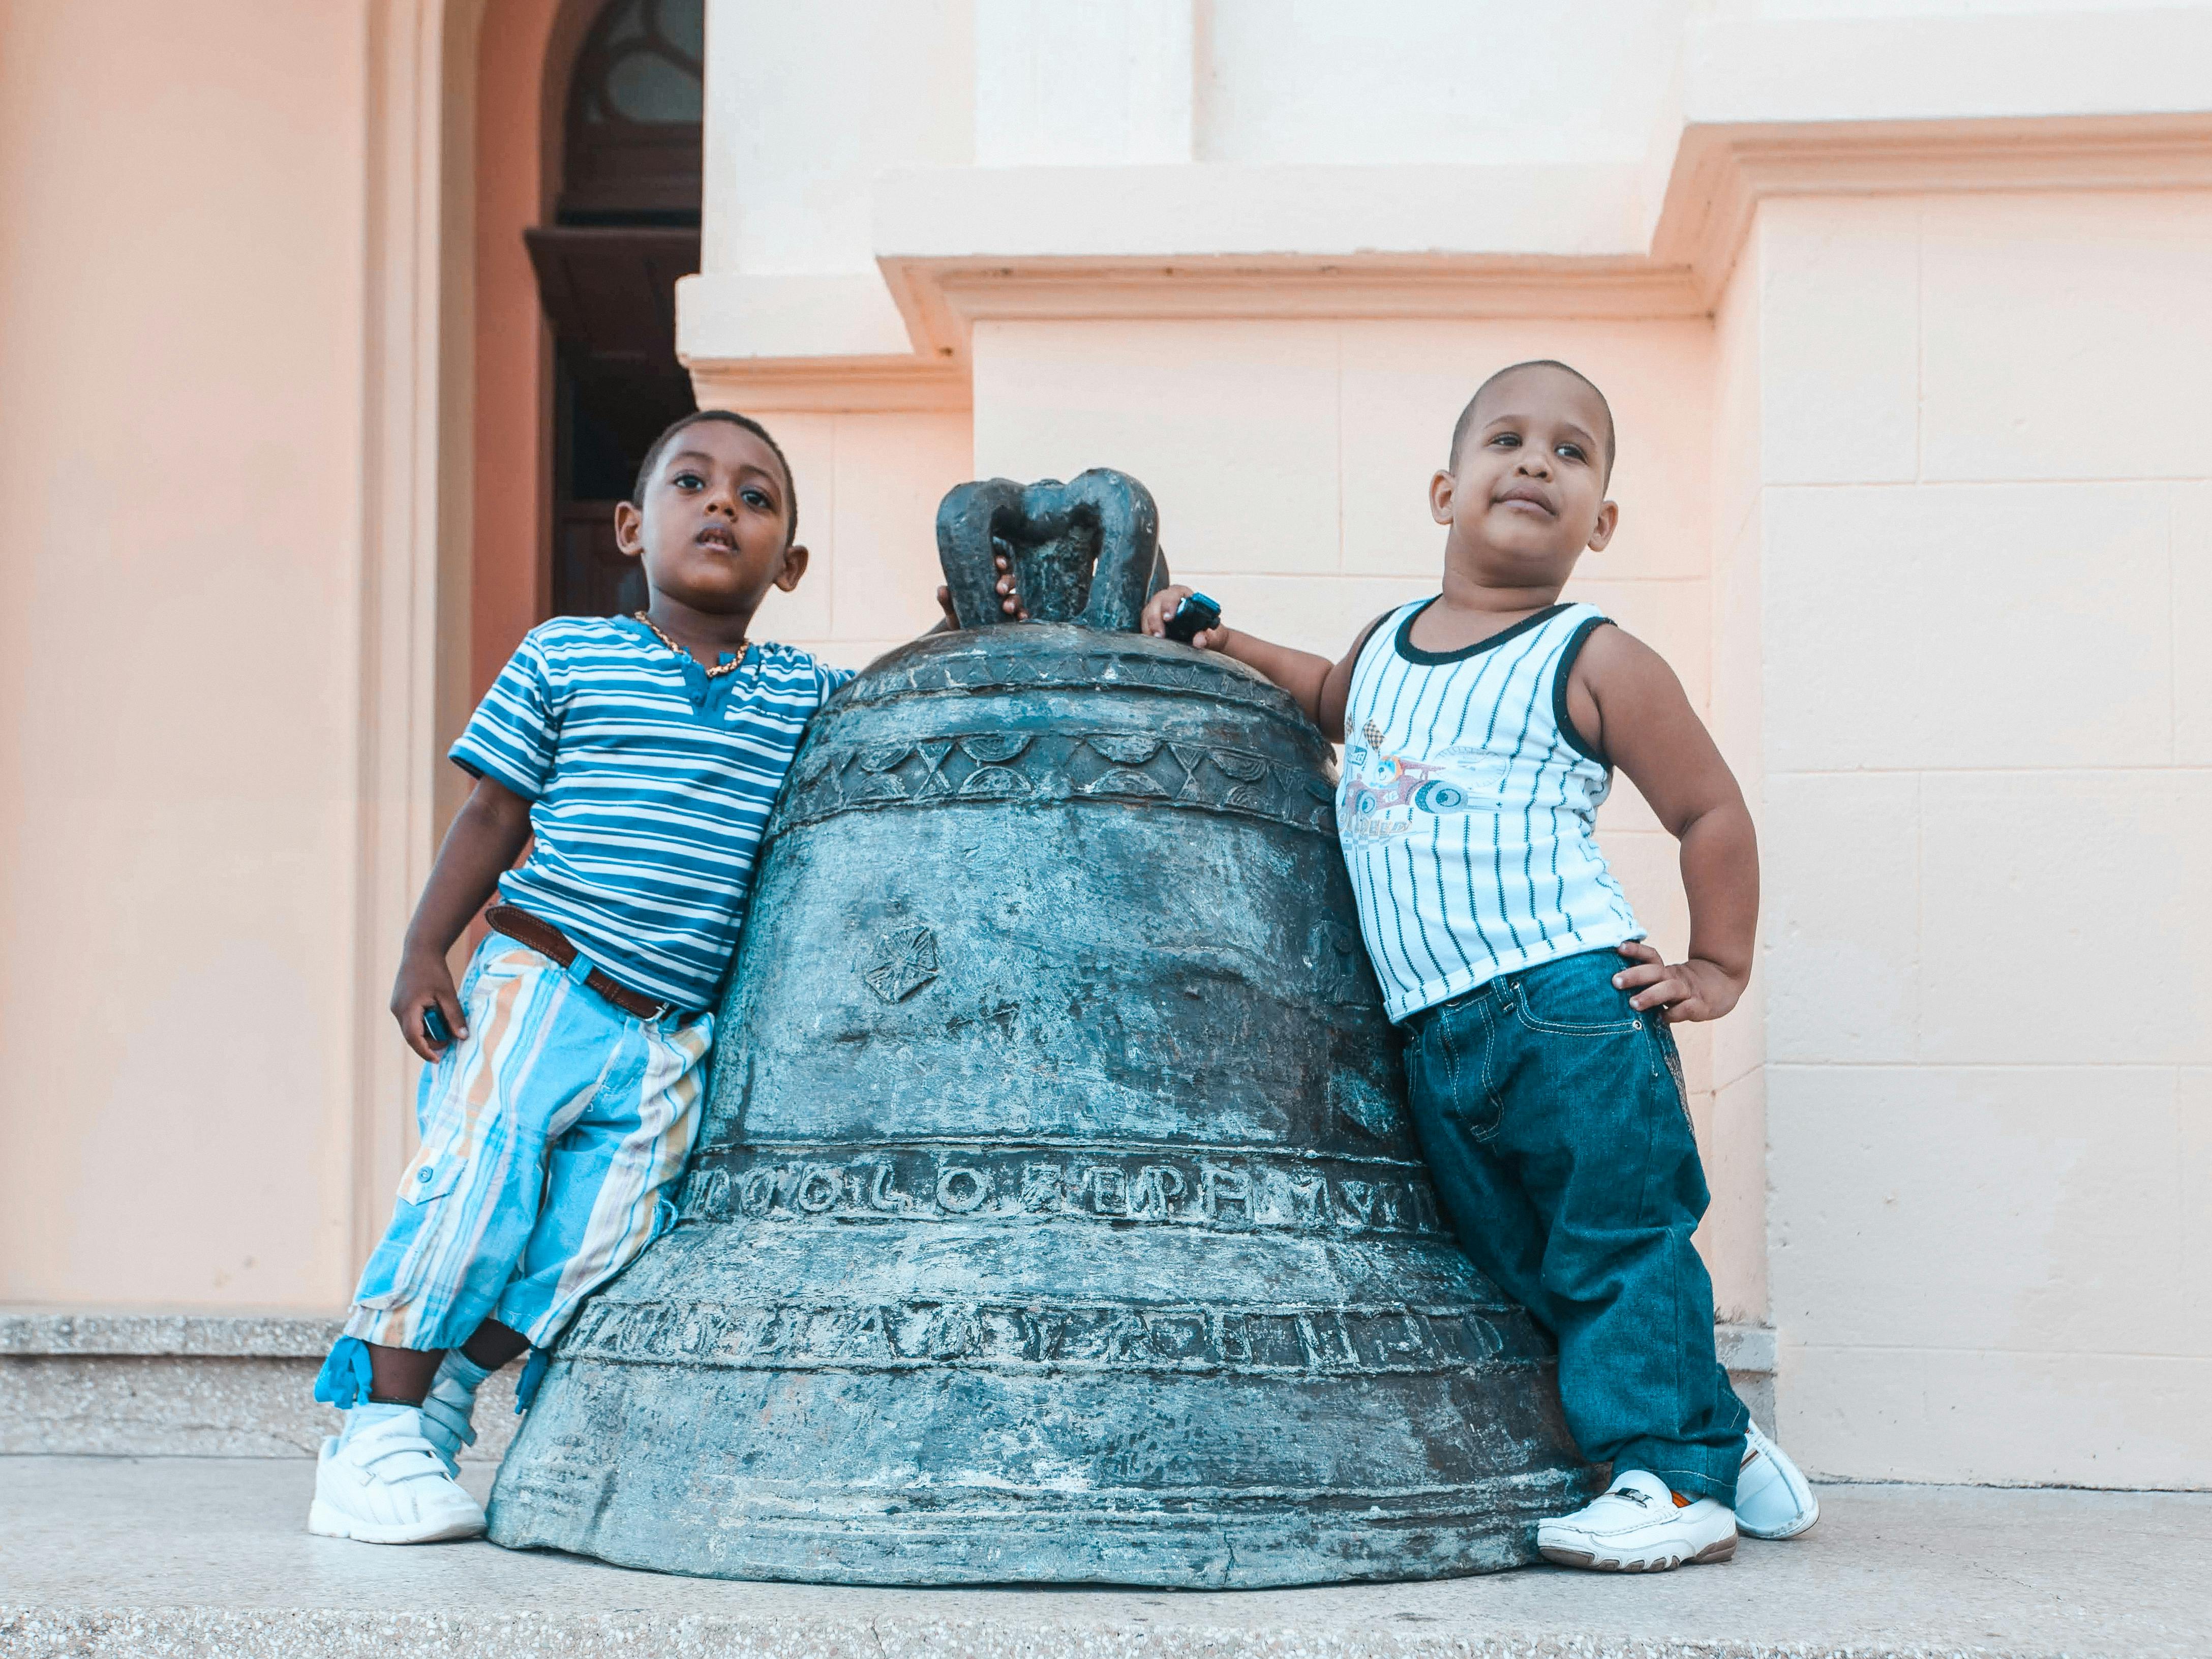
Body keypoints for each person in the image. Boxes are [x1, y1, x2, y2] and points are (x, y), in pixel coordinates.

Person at [1142, 360, 1819, 1573]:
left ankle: (1673, 1482)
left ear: (1600, 520)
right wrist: (1220, 634)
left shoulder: (1594, 655)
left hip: (1568, 1007)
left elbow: (1710, 811)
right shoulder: (1389, 648)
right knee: (1524, 1264)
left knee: (1618, 1239)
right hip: (1435, 1036)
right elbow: (1328, 696)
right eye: (1507, 440)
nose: (1535, 463)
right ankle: (1716, 1437)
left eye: (1572, 453)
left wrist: (1717, 966)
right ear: (1446, 489)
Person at [308, 409, 1015, 1545]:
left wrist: (959, 633)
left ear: (789, 564)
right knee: (476, 1193)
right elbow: (495, 809)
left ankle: (443, 1400)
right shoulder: (565, 655)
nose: (723, 505)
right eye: (693, 484)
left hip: (673, 1032)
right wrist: (419, 948)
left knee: (605, 1242)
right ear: (634, 526)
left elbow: (891, 728)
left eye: (757, 495)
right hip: (544, 982)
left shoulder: (800, 694)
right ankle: (373, 1428)